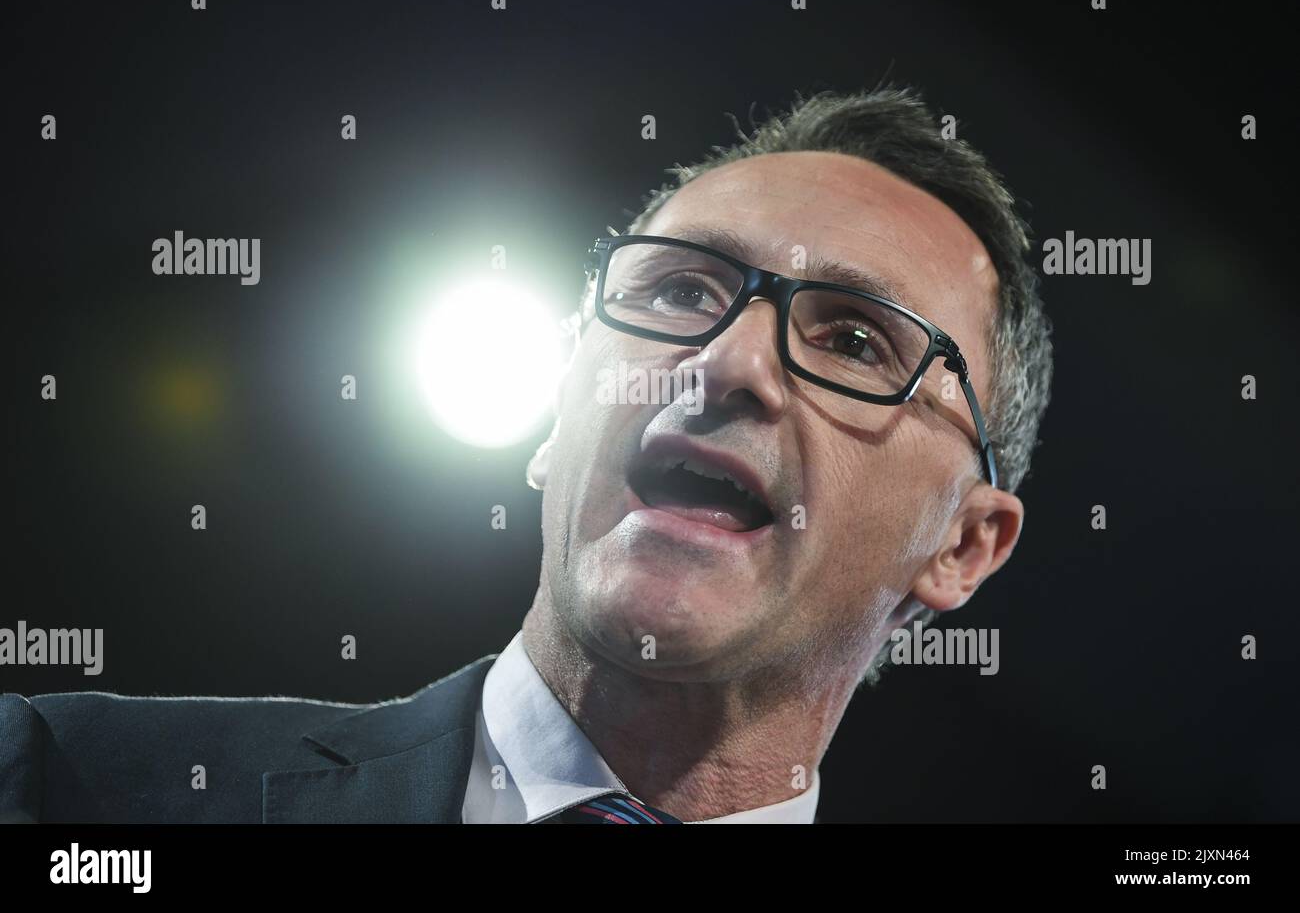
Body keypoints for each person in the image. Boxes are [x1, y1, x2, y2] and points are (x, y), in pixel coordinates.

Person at [0, 85, 1052, 824]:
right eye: (680, 289)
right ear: (558, 408)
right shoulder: (67, 782)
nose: (726, 362)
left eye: (853, 340)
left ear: (963, 543)